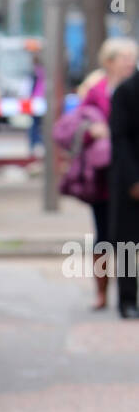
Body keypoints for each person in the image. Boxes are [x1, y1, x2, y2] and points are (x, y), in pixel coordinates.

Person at [68, 38, 137, 309]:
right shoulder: (96, 91)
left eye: (132, 57)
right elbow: (76, 126)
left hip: (122, 171)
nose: (129, 62)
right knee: (108, 236)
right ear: (109, 61)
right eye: (124, 57)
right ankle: (105, 291)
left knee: (125, 238)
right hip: (104, 176)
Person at [110, 58, 139, 318]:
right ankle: (127, 301)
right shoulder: (126, 92)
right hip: (131, 182)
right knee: (128, 244)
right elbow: (119, 139)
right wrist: (133, 180)